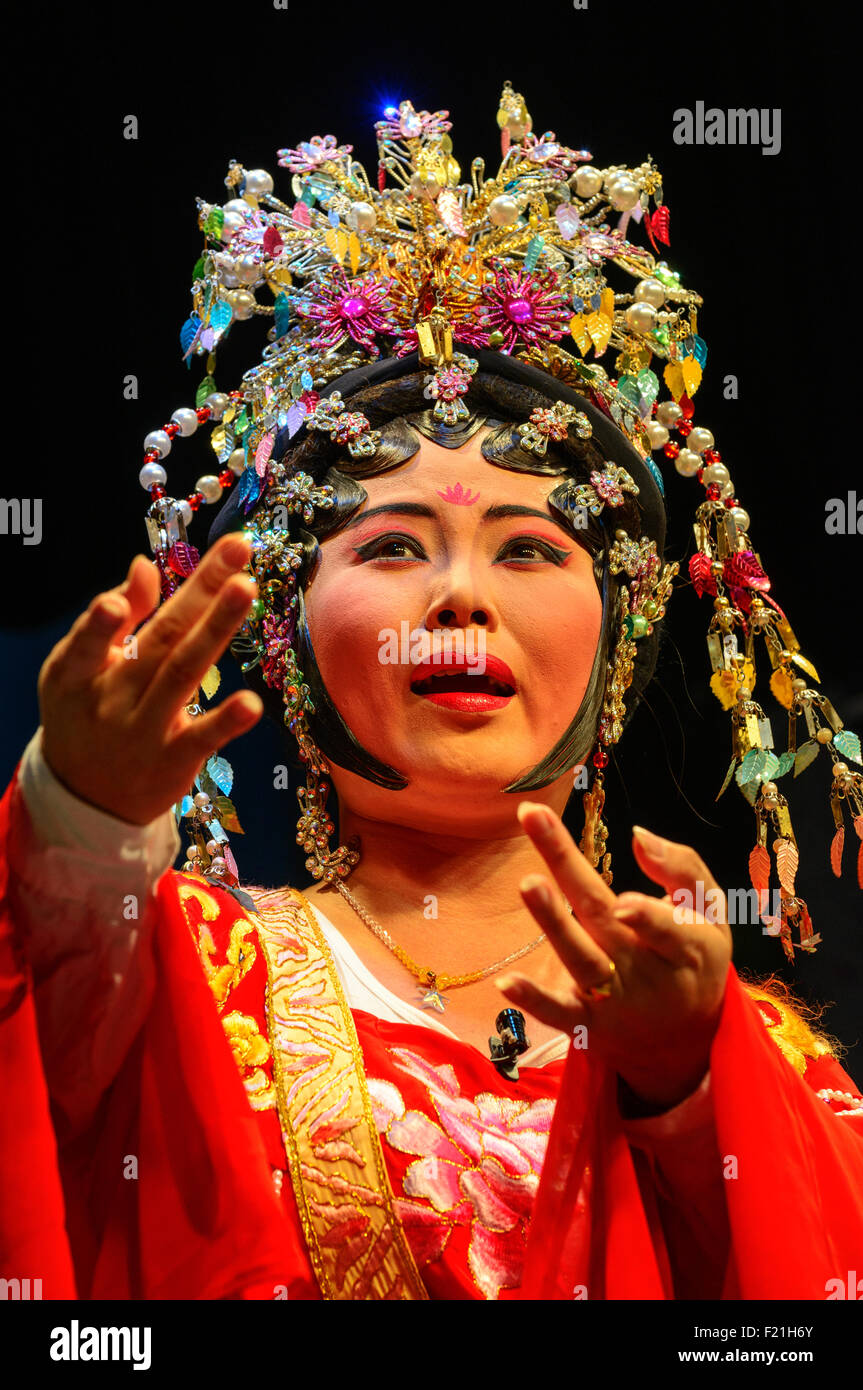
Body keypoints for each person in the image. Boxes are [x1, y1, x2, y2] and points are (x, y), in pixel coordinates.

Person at [1, 86, 861, 1303]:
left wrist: (683, 1095)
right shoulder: (178, 973)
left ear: (616, 648)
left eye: (529, 550)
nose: (459, 598)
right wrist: (81, 809)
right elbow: (35, 1073)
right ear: (290, 641)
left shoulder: (748, 1047)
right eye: (393, 548)